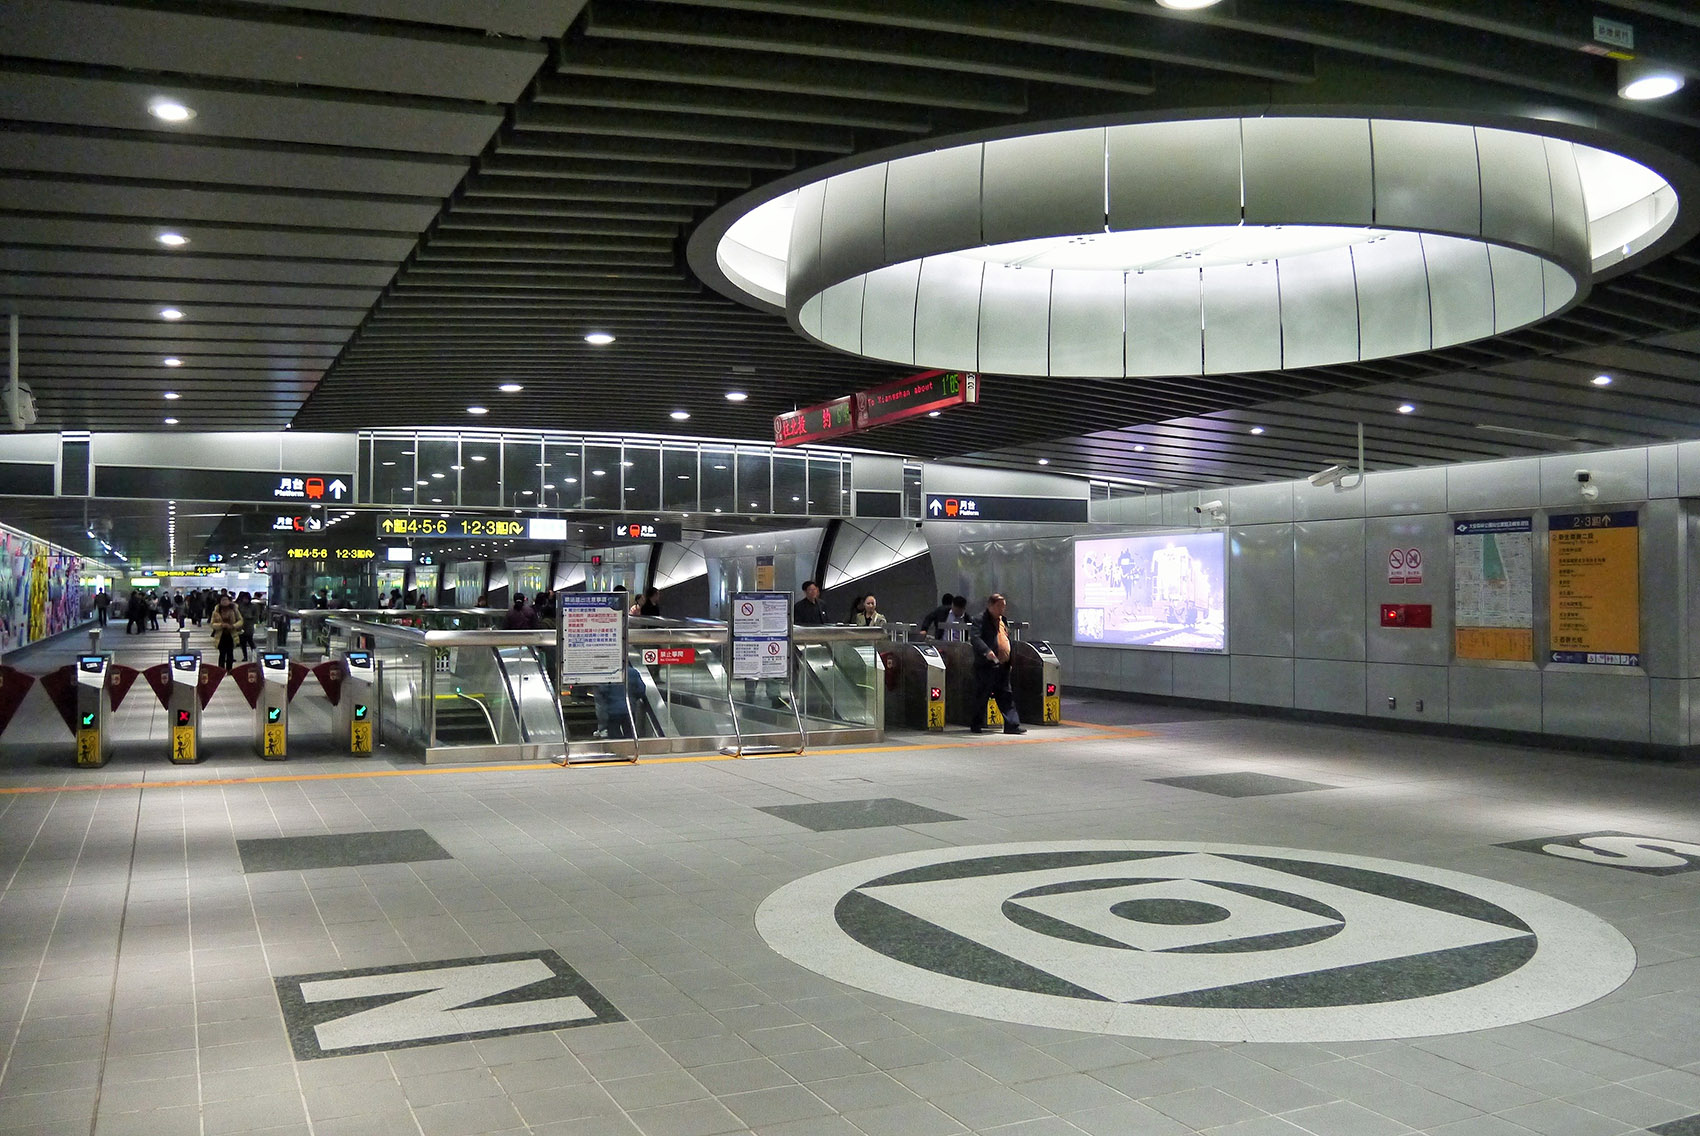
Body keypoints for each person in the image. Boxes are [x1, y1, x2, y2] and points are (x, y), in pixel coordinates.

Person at [968, 592, 1025, 735]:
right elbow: (975, 638)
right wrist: (987, 651)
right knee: (982, 695)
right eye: (999, 606)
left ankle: (1012, 724)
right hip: (986, 665)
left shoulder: (1002, 620)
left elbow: (1005, 639)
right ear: (990, 605)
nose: (1002, 609)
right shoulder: (980, 620)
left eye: (1004, 607)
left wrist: (1010, 658)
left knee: (1006, 695)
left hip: (1003, 665)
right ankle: (976, 724)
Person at [210, 594, 242, 671]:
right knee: (222, 654)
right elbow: (212, 624)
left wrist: (233, 626)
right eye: (223, 600)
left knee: (230, 653)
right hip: (221, 635)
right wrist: (221, 625)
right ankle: (221, 670)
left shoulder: (234, 610)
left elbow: (240, 620)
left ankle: (229, 669)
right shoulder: (216, 612)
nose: (225, 602)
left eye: (226, 600)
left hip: (231, 634)